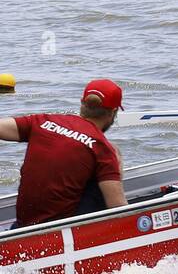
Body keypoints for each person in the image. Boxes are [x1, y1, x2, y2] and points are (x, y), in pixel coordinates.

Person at [0, 79, 128, 229]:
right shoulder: (103, 148)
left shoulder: (43, 121)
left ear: (82, 104)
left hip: (23, 223)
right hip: (58, 230)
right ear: (113, 113)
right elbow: (117, 207)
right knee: (114, 153)